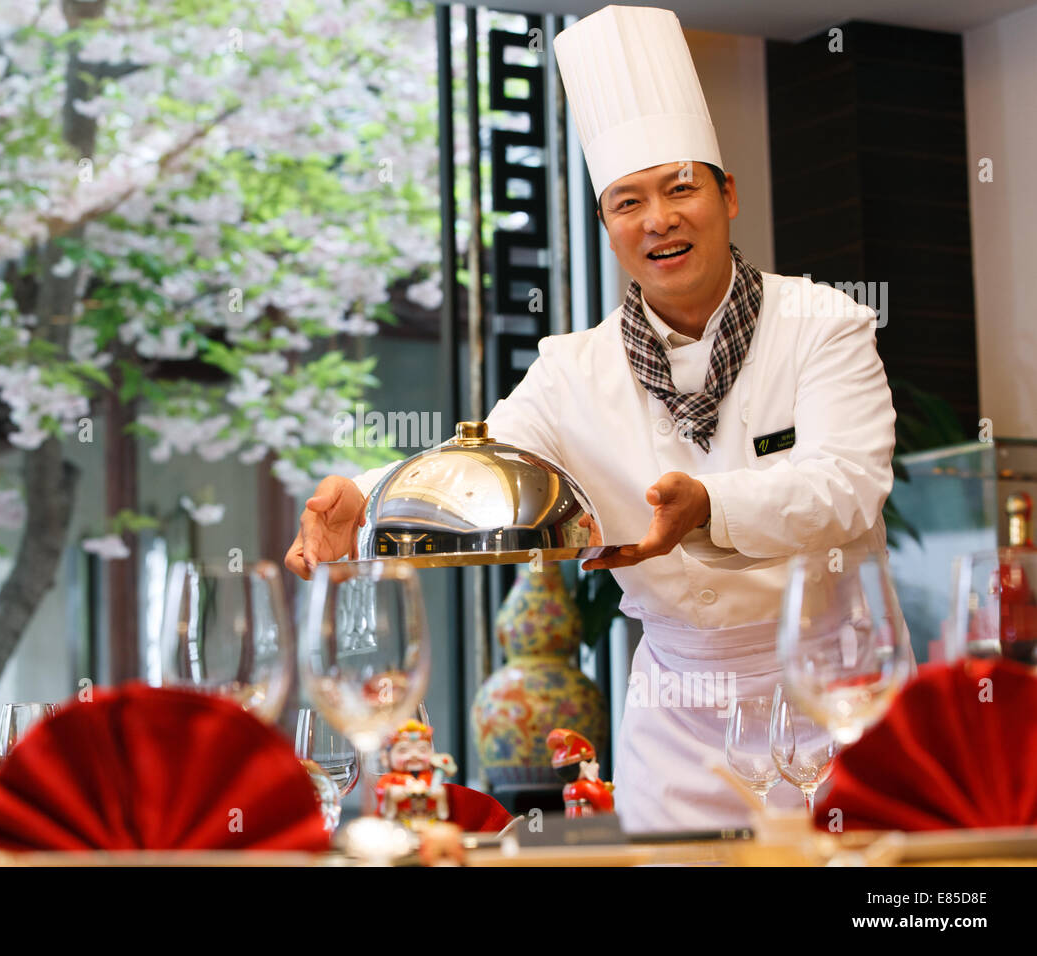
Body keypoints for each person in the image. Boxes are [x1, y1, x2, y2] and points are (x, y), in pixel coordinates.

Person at [285, 4, 896, 830]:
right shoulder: (573, 368)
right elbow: (484, 466)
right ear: (607, 227)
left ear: (727, 194)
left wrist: (707, 507)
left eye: (681, 188)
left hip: (832, 693)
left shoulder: (823, 323)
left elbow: (846, 485)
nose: (658, 219)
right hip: (678, 717)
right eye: (626, 202)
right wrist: (368, 498)